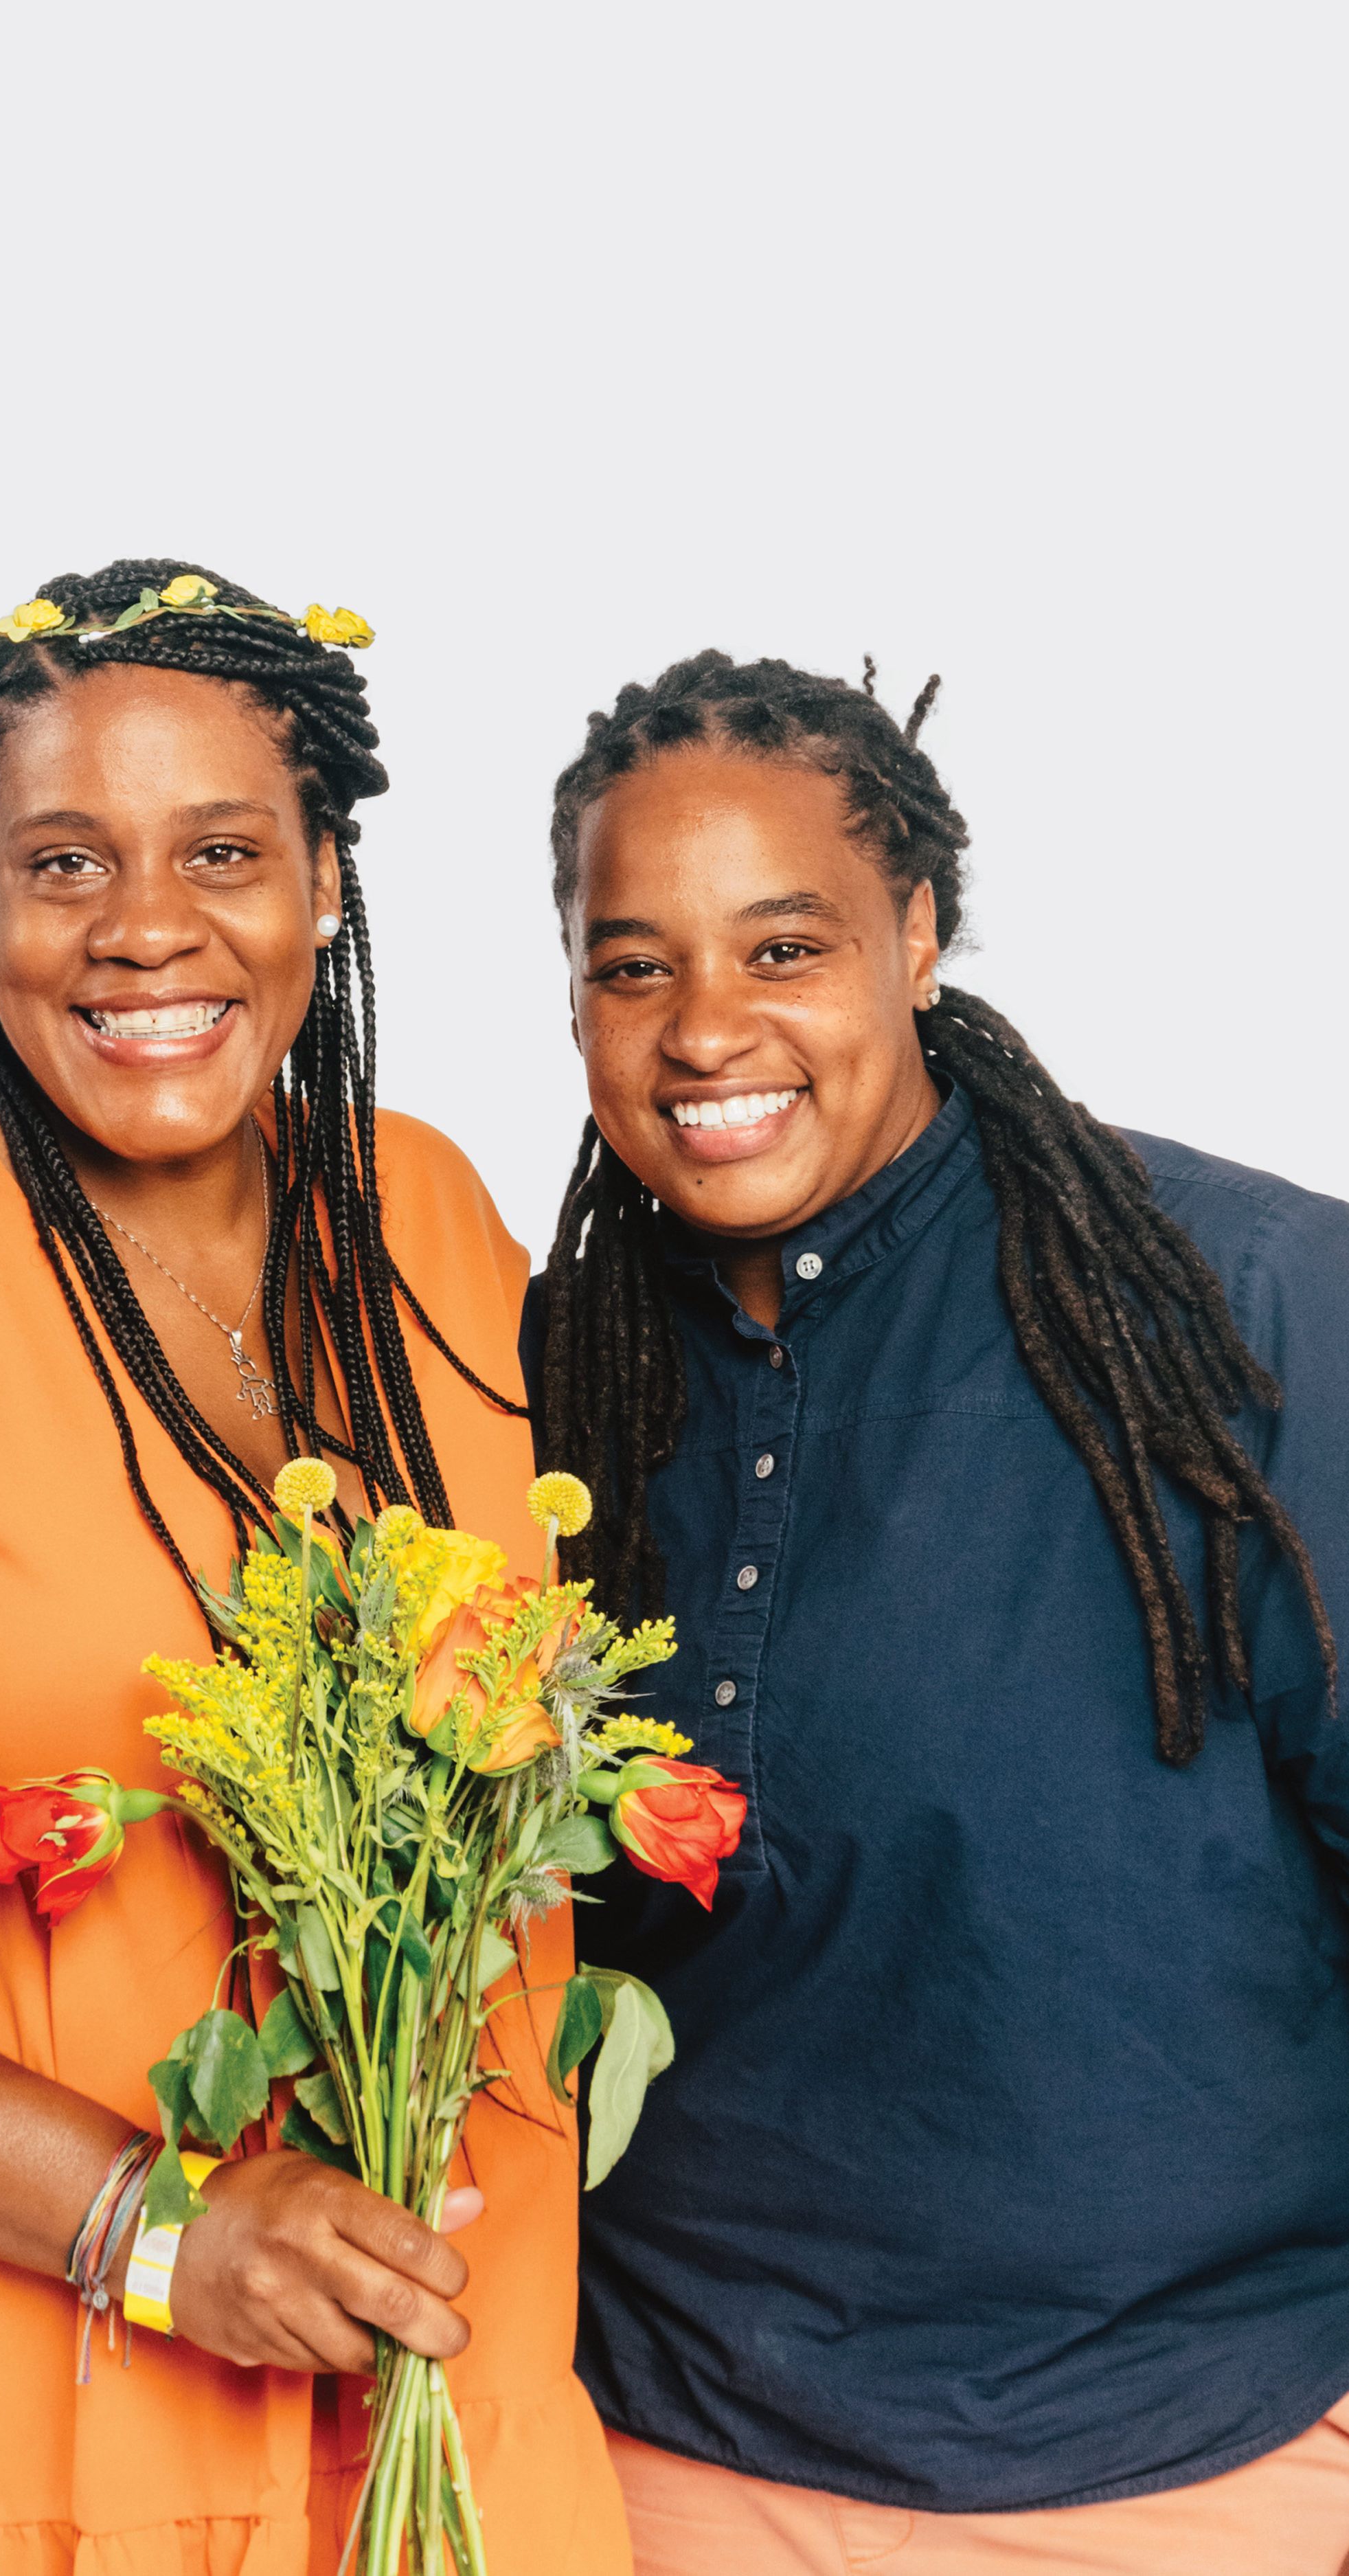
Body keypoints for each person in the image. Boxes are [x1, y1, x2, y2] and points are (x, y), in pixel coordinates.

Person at [0, 559, 629, 2576]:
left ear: (324, 882)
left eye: (223, 851)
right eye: (65, 859)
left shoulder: (423, 1220)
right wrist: (154, 2229)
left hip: (419, 2396)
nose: (147, 927)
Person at [520, 648, 1349, 2573]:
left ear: (914, 933)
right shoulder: (539, 1380)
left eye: (781, 946)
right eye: (631, 965)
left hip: (1192, 2462)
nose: (702, 1029)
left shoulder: (1247, 1311)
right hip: (654, 2463)